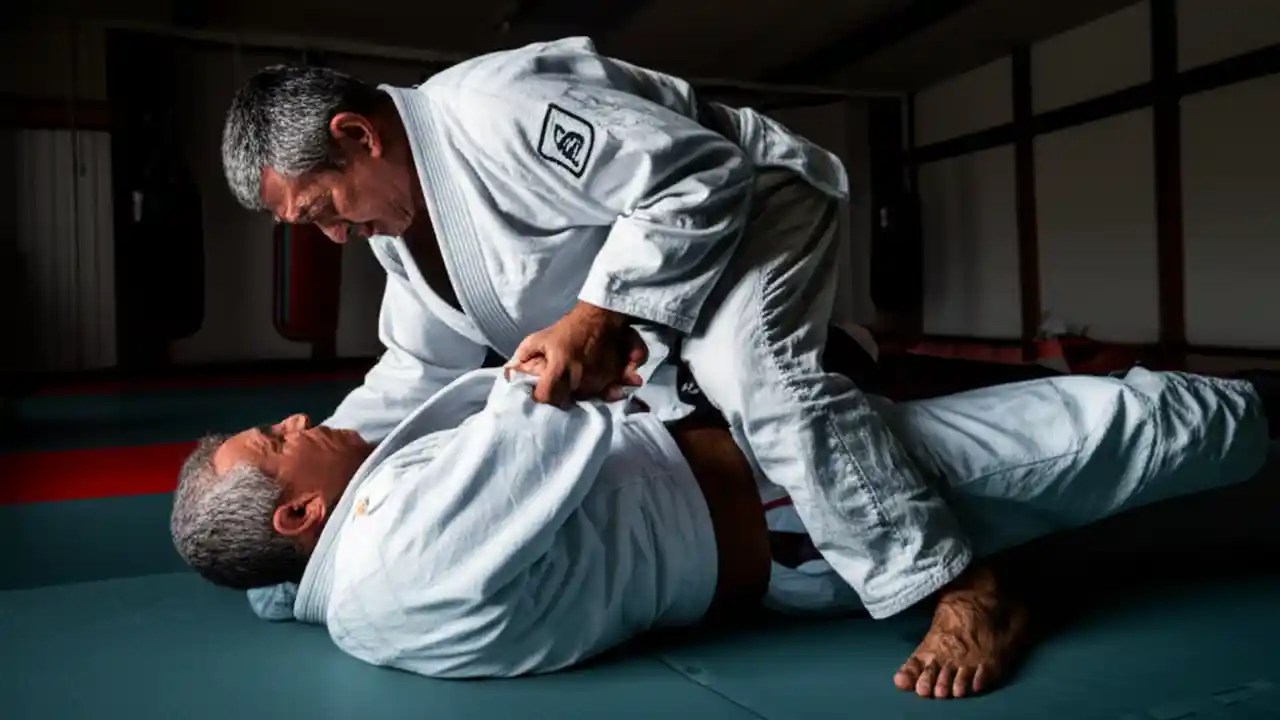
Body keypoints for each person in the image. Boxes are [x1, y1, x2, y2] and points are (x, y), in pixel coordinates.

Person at [220, 36, 991, 678]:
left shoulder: (494, 111)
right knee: (679, 407)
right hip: (662, 298)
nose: (331, 235)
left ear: (358, 137)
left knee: (755, 379)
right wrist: (291, 550)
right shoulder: (401, 229)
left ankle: (957, 587)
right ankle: (841, 360)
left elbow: (698, 174)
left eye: (323, 209)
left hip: (751, 202)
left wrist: (596, 316)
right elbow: (418, 370)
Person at [169, 364, 1277, 697]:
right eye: (280, 435)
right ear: (297, 512)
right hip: (811, 496)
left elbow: (271, 582)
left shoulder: (340, 590)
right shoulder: (395, 558)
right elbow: (546, 419)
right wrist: (572, 330)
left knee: (1084, 453)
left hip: (780, 524)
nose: (304, 418)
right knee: (1129, 428)